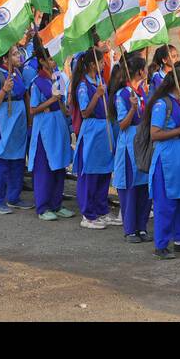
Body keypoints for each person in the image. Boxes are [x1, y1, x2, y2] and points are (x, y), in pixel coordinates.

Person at [145, 64, 180, 258]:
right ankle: (161, 244)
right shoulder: (162, 104)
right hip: (168, 157)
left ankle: (179, 239)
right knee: (166, 202)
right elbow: (155, 133)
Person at [73, 49, 117, 229]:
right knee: (90, 172)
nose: (104, 64)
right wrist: (97, 95)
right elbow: (85, 111)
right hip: (91, 130)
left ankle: (101, 209)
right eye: (101, 61)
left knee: (103, 171)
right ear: (93, 65)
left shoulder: (99, 81)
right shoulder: (84, 86)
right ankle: (88, 214)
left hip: (103, 129)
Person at [28, 48, 72, 218]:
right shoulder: (37, 82)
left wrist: (64, 108)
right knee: (44, 167)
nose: (54, 61)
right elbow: (33, 109)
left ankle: (56, 203)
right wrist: (52, 100)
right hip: (44, 127)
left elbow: (61, 102)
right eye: (50, 58)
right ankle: (43, 207)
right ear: (41, 61)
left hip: (58, 123)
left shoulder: (58, 77)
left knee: (59, 164)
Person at [110, 55, 150, 241]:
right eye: (145, 68)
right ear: (140, 71)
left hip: (142, 142)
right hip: (129, 145)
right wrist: (133, 109)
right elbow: (122, 124)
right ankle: (130, 229)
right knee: (131, 186)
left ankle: (141, 227)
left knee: (143, 186)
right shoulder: (123, 94)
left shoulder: (140, 91)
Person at [0, 47, 30, 214]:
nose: (18, 56)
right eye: (14, 54)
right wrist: (4, 90)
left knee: (17, 160)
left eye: (17, 52)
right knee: (0, 159)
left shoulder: (17, 73)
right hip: (3, 122)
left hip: (18, 123)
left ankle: (14, 197)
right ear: (5, 59)